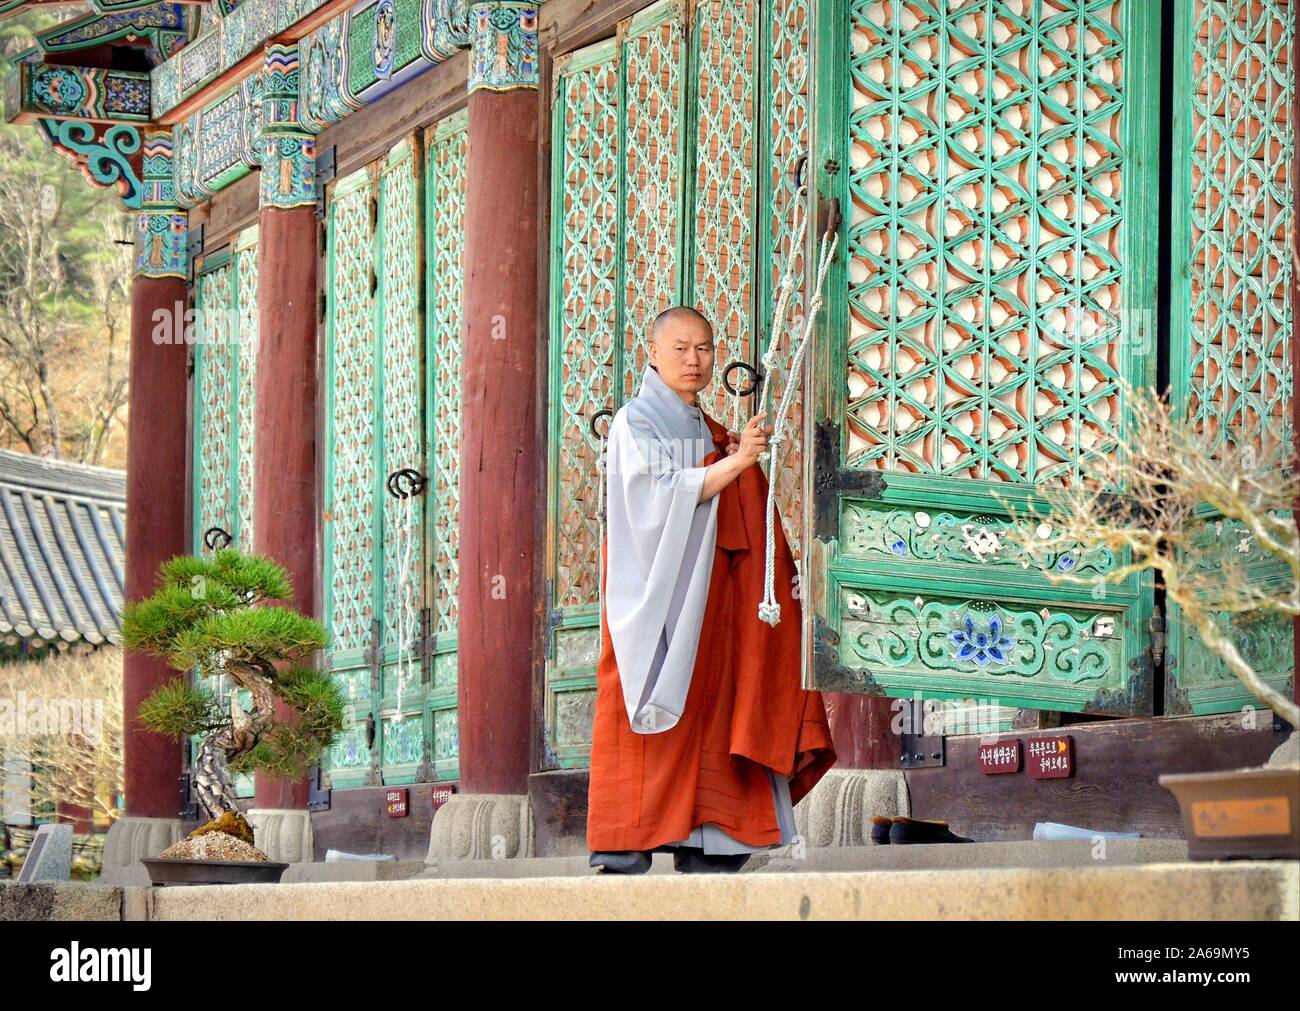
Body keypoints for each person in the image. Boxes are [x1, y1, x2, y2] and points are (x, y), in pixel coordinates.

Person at [587, 305, 836, 875]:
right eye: (679, 348)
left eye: (703, 348)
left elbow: (714, 483)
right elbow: (662, 495)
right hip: (655, 596)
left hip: (710, 596)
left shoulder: (706, 429)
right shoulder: (636, 421)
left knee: (714, 711)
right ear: (650, 352)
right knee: (644, 710)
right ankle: (625, 842)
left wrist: (736, 457)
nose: (693, 360)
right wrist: (739, 461)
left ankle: (709, 841)